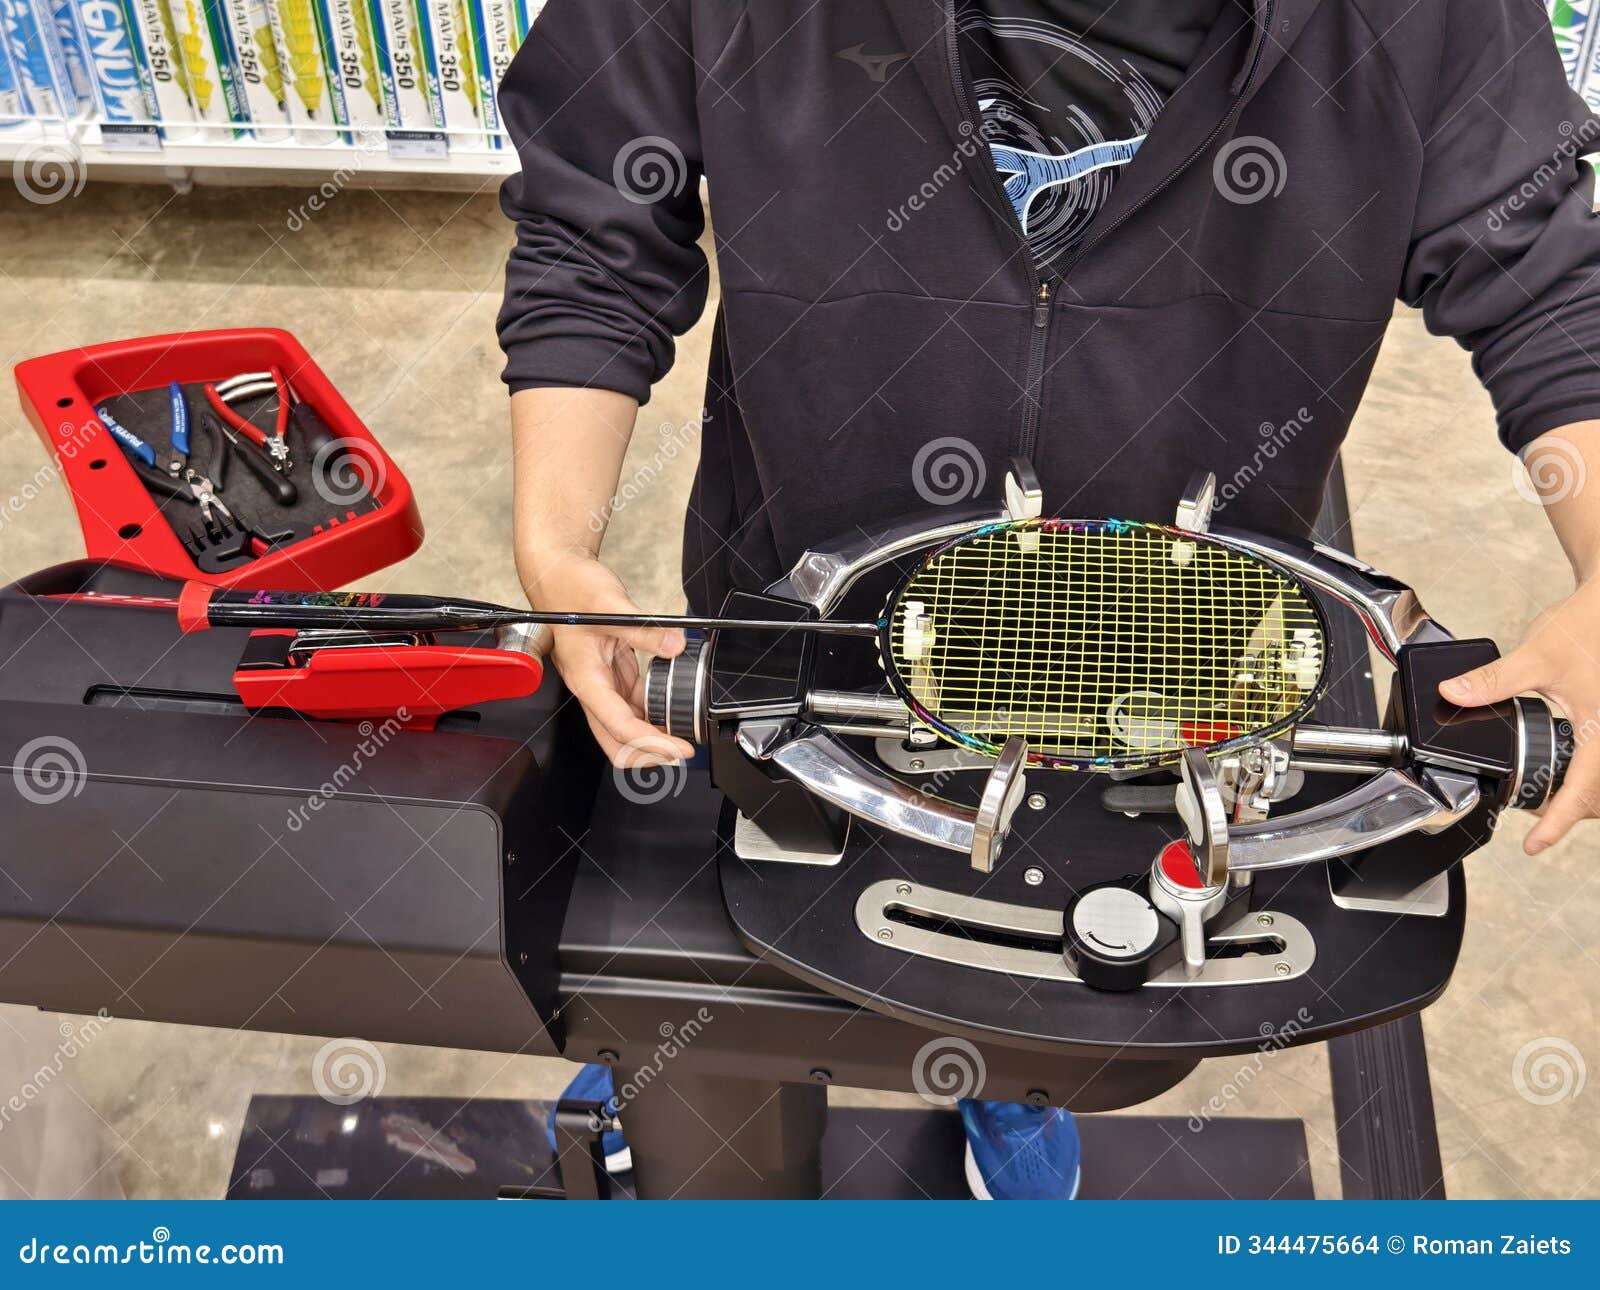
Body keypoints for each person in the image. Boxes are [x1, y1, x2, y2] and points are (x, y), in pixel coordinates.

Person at [500, 0, 1600, 1200]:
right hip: (812, 575)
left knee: (1053, 923)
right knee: (751, 871)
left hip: (1173, 621)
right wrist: (556, 545)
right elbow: (596, 220)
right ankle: (671, 1057)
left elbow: (1544, 278)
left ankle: (1011, 1081)